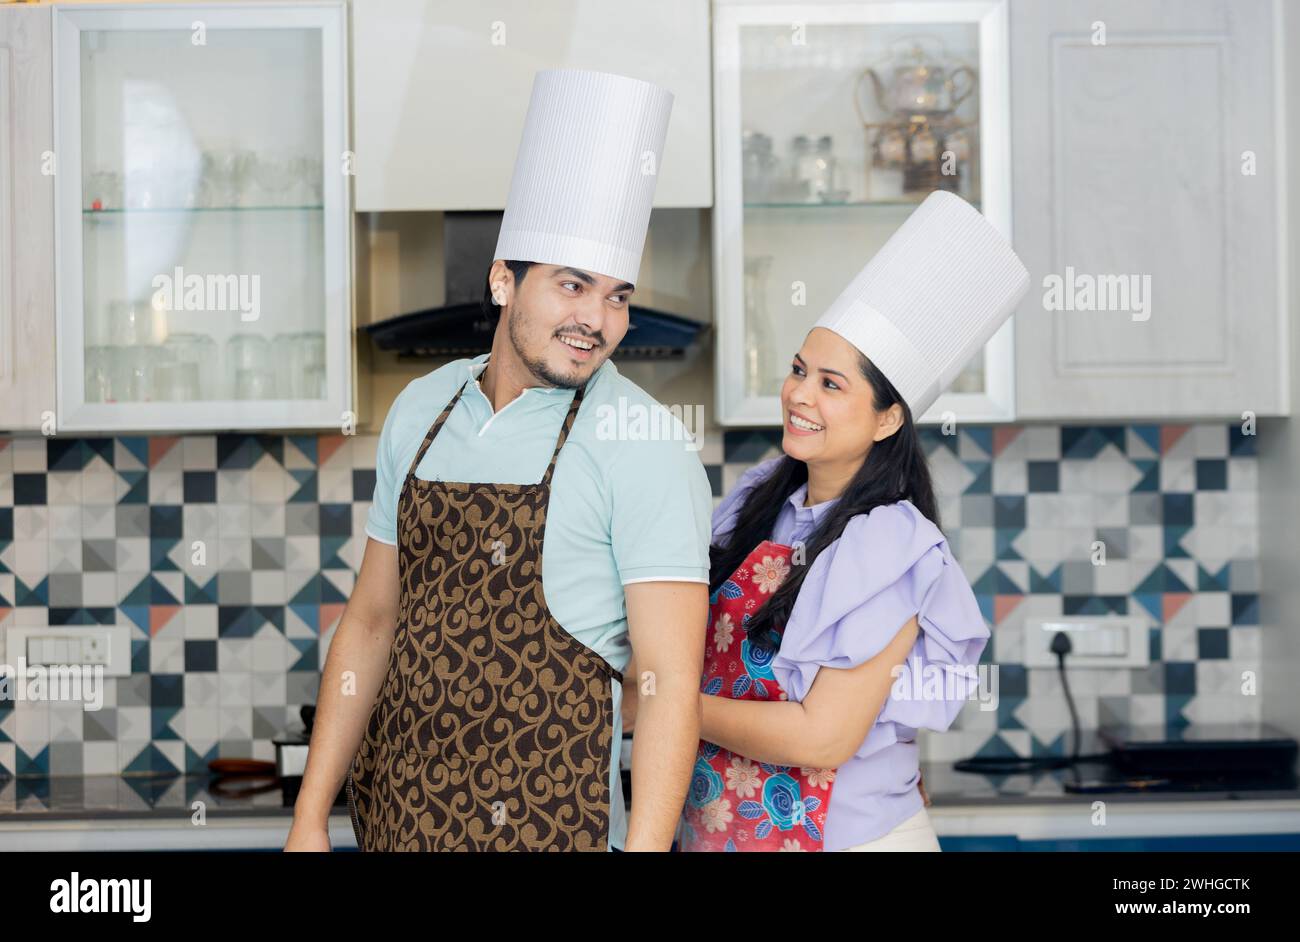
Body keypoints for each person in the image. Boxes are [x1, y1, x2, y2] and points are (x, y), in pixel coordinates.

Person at [286, 69, 713, 852]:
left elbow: (668, 682)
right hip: (398, 824)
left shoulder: (646, 445)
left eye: (618, 295)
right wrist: (311, 816)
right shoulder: (421, 409)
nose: (597, 319)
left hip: (555, 831)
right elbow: (374, 622)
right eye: (572, 285)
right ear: (503, 279)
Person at [678, 190, 1030, 852]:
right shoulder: (759, 502)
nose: (799, 395)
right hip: (724, 831)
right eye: (798, 371)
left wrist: (664, 707)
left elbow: (824, 737)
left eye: (831, 384)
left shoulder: (888, 543)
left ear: (888, 417)